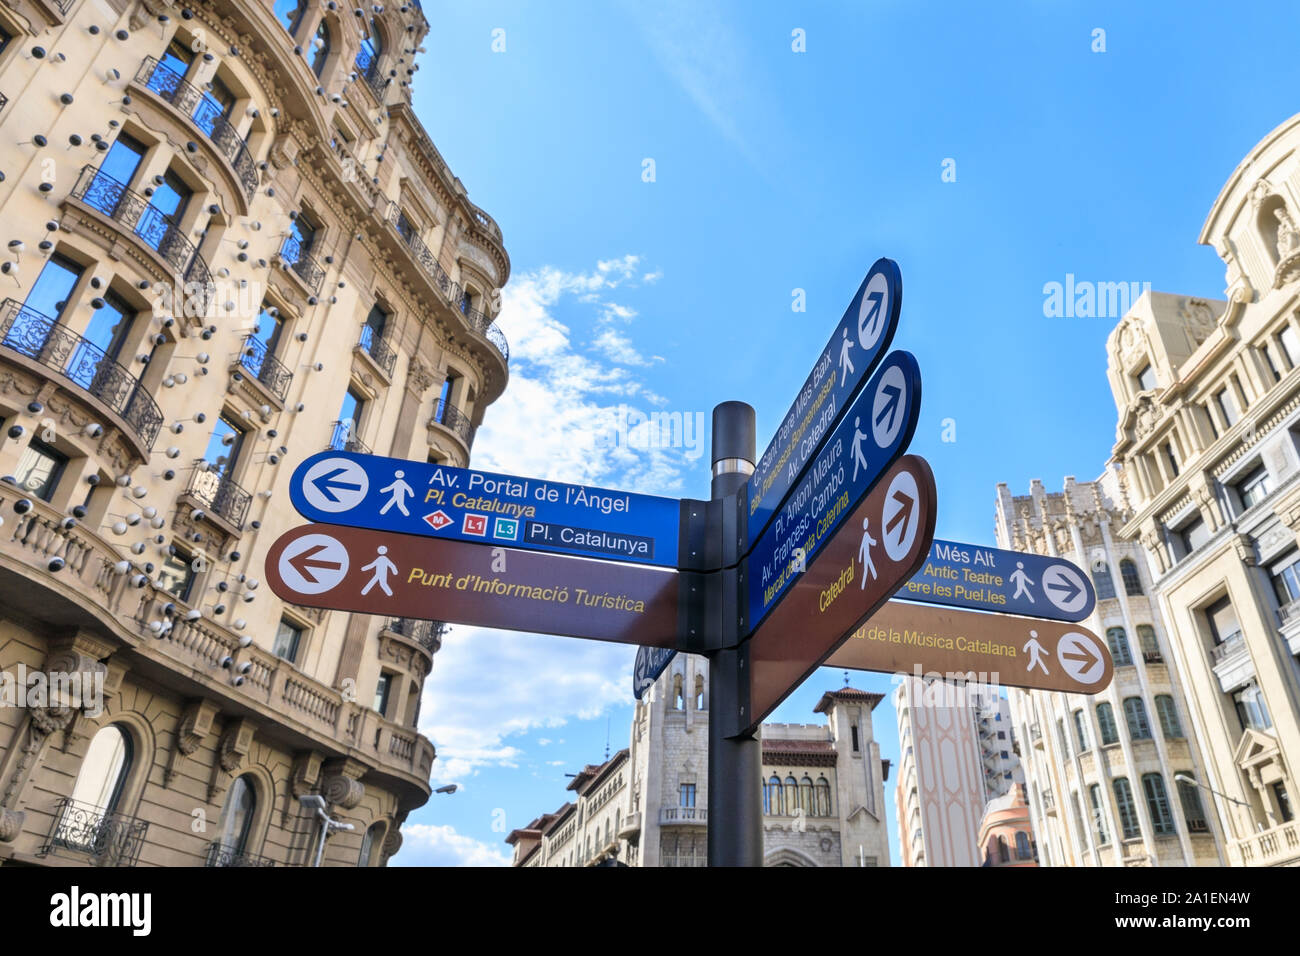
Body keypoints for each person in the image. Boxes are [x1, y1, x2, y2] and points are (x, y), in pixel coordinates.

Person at [858, 517, 878, 588]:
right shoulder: (865, 534)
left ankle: (875, 576)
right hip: (866, 555)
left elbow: (862, 547)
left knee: (870, 566)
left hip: (866, 555)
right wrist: (875, 542)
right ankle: (863, 586)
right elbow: (863, 546)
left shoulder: (865, 534)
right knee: (866, 570)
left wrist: (860, 558)